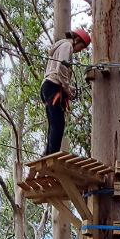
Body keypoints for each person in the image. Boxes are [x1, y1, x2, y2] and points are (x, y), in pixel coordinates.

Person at [41, 27, 91, 157]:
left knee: (54, 123)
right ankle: (52, 154)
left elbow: (59, 72)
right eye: (82, 47)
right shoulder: (67, 46)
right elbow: (62, 67)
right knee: (58, 124)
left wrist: (69, 87)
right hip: (53, 86)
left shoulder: (60, 46)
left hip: (48, 86)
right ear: (77, 40)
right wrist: (67, 88)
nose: (80, 50)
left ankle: (48, 153)